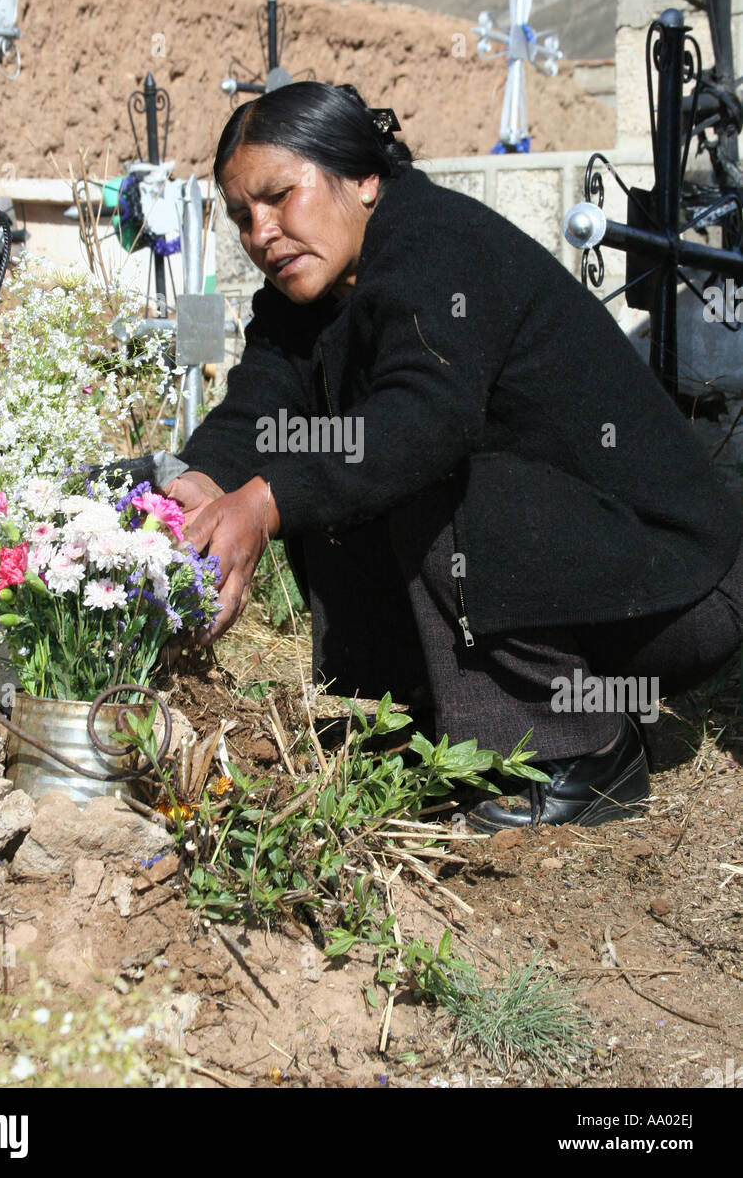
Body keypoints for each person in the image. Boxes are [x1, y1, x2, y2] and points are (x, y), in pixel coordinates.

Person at [163, 80, 743, 832]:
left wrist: (266, 500)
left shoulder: (438, 245)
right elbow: (257, 408)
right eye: (243, 216)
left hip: (680, 589)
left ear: (365, 178)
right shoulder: (305, 294)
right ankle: (427, 722)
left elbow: (421, 422)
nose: (262, 232)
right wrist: (201, 485)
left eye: (280, 196)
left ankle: (581, 753)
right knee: (322, 469)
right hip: (583, 576)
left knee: (401, 468)